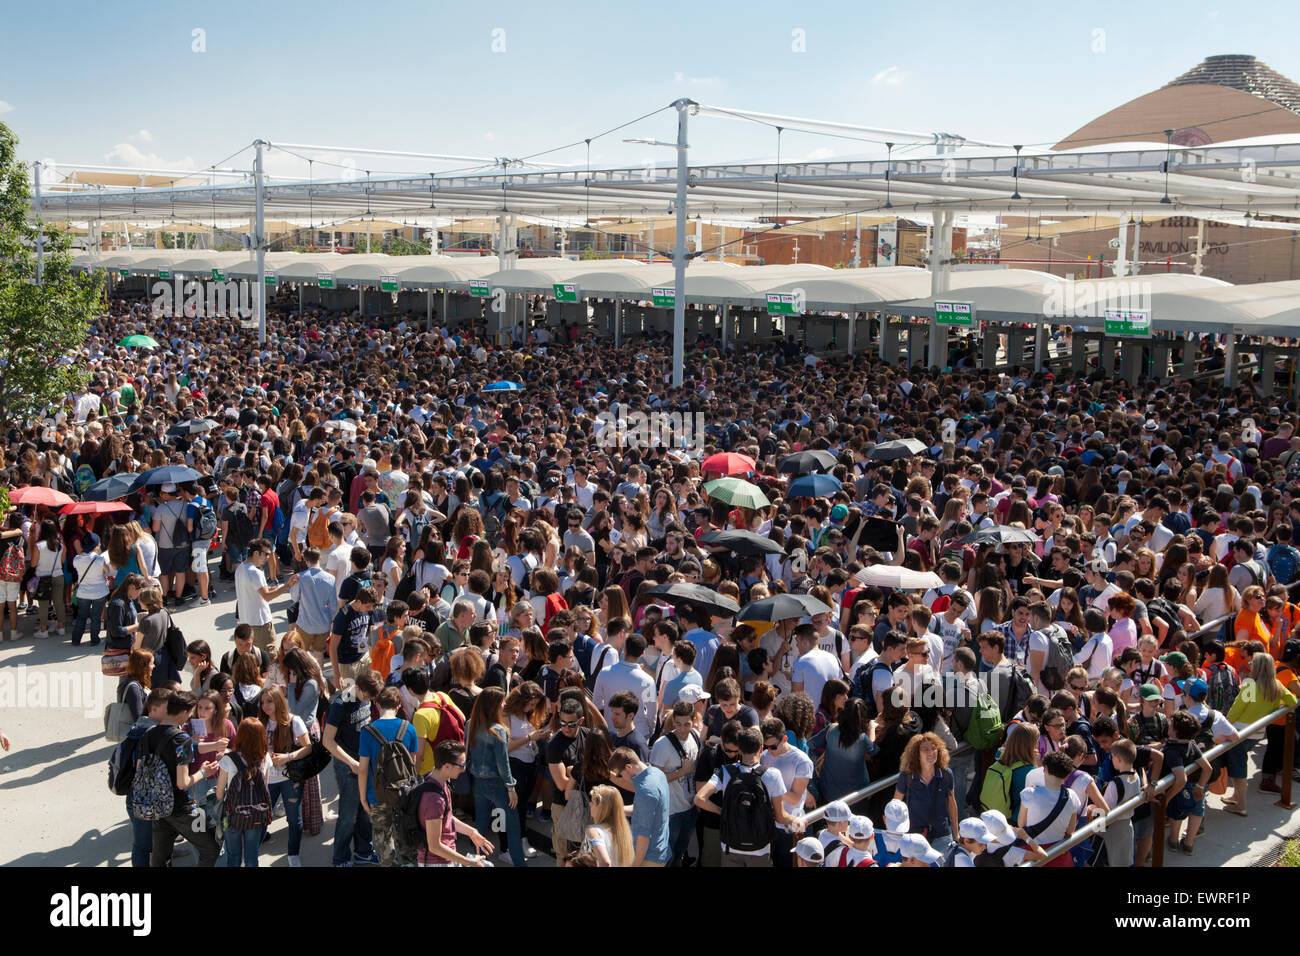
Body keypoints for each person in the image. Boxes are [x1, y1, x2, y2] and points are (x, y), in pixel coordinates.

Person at [693, 725, 803, 867]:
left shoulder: (726, 772)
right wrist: (797, 819)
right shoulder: (773, 775)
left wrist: (722, 811)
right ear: (761, 748)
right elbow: (780, 816)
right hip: (760, 849)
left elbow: (699, 799)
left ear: (740, 749)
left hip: (730, 846)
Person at [145, 691, 221, 867]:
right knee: (211, 849)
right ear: (185, 712)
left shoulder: (149, 733)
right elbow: (183, 783)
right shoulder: (182, 740)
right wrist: (203, 772)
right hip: (180, 808)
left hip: (157, 806)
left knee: (159, 858)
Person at [324, 671, 382, 867]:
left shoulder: (366, 695)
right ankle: (340, 858)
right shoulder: (340, 704)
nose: (369, 700)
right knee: (348, 815)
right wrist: (351, 762)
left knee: (365, 810)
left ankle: (364, 851)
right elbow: (327, 741)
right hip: (347, 766)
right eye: (366, 696)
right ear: (357, 687)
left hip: (364, 763)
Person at [357, 686, 420, 867]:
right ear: (399, 706)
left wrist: (363, 798)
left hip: (377, 794)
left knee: (383, 841)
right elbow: (413, 764)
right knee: (406, 837)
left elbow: (362, 769)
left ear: (377, 704)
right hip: (403, 794)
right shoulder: (409, 728)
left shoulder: (367, 731)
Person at [467, 685, 528, 867]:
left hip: (478, 782)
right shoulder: (498, 730)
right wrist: (511, 788)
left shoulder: (471, 724)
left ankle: (474, 861)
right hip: (497, 785)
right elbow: (503, 764)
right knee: (513, 828)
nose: (504, 704)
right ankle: (520, 864)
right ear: (494, 705)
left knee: (480, 824)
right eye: (502, 701)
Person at [415, 740, 496, 866]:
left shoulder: (442, 782)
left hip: (447, 857)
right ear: (446, 766)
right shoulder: (433, 800)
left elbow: (446, 818)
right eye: (462, 765)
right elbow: (434, 846)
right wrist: (467, 862)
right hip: (436, 862)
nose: (464, 769)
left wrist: (471, 832)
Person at [259, 685, 313, 866]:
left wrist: (287, 757)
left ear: (278, 701)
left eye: (269, 701)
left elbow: (308, 747)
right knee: (260, 818)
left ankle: (293, 854)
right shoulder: (260, 723)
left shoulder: (294, 721)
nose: (266, 706)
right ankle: (251, 854)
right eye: (263, 702)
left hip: (290, 778)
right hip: (267, 779)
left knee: (293, 818)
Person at [214, 717, 274, 867]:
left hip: (233, 815)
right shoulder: (265, 757)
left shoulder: (229, 759)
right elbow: (264, 788)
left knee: (233, 856)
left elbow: (220, 794)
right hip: (256, 815)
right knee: (252, 857)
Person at [649, 700, 701, 867]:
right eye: (678, 724)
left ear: (693, 721)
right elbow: (654, 780)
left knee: (680, 853)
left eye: (687, 724)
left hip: (690, 808)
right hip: (671, 812)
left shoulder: (695, 736)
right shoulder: (662, 745)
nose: (682, 729)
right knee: (667, 856)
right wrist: (681, 772)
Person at [758, 716, 815, 866]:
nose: (769, 751)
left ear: (784, 738)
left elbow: (795, 798)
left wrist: (773, 786)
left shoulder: (802, 761)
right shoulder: (764, 756)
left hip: (788, 826)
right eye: (766, 747)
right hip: (768, 823)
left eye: (773, 747)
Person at [893, 732, 959, 850]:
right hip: (915, 835)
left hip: (942, 835)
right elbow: (895, 806)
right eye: (925, 749)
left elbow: (951, 803)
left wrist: (956, 833)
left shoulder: (946, 774)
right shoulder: (906, 777)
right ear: (916, 754)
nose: (931, 752)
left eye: (934, 748)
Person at [1015, 750, 1082, 867]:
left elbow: (1022, 824)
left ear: (1045, 769)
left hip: (1035, 853)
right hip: (1059, 853)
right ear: (1066, 776)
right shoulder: (1072, 796)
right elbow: (1070, 830)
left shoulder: (1029, 794)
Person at [608, 747, 673, 866]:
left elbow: (644, 837)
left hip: (648, 858)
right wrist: (617, 809)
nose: (621, 779)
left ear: (628, 767)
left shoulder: (645, 791)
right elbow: (643, 809)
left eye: (619, 775)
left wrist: (635, 864)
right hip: (659, 851)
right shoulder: (657, 773)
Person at [236, 538, 298, 653]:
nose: (268, 557)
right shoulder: (256, 572)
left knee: (253, 658)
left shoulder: (240, 568)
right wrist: (287, 586)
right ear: (256, 553)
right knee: (270, 658)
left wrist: (267, 589)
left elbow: (251, 590)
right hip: (261, 624)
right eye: (266, 554)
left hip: (247, 623)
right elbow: (267, 597)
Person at [70, 532, 113, 646]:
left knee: (81, 617)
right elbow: (107, 571)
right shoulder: (99, 560)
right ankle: (95, 639)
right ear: (96, 546)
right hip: (99, 591)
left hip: (83, 592)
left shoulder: (76, 559)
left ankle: (76, 639)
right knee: (96, 617)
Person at [582, 783, 635, 867]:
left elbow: (605, 862)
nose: (589, 804)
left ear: (602, 808)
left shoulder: (593, 831)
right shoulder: (625, 832)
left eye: (592, 802)